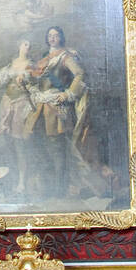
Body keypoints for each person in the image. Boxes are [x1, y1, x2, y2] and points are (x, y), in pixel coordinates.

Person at [27, 26, 89, 197]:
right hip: (39, 108)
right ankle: (46, 188)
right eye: (50, 35)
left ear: (62, 37)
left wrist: (68, 93)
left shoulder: (66, 57)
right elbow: (33, 76)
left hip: (55, 107)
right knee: (40, 146)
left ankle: (59, 190)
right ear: (47, 39)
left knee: (57, 149)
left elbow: (80, 74)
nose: (53, 38)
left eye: (56, 35)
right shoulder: (44, 58)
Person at [0, 39, 41, 194]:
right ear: (19, 46)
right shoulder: (11, 64)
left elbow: (37, 83)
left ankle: (22, 181)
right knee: (8, 143)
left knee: (20, 144)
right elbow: (0, 79)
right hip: (7, 103)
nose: (28, 46)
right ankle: (10, 178)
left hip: (22, 106)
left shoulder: (33, 65)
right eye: (25, 43)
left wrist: (26, 80)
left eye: (30, 44)